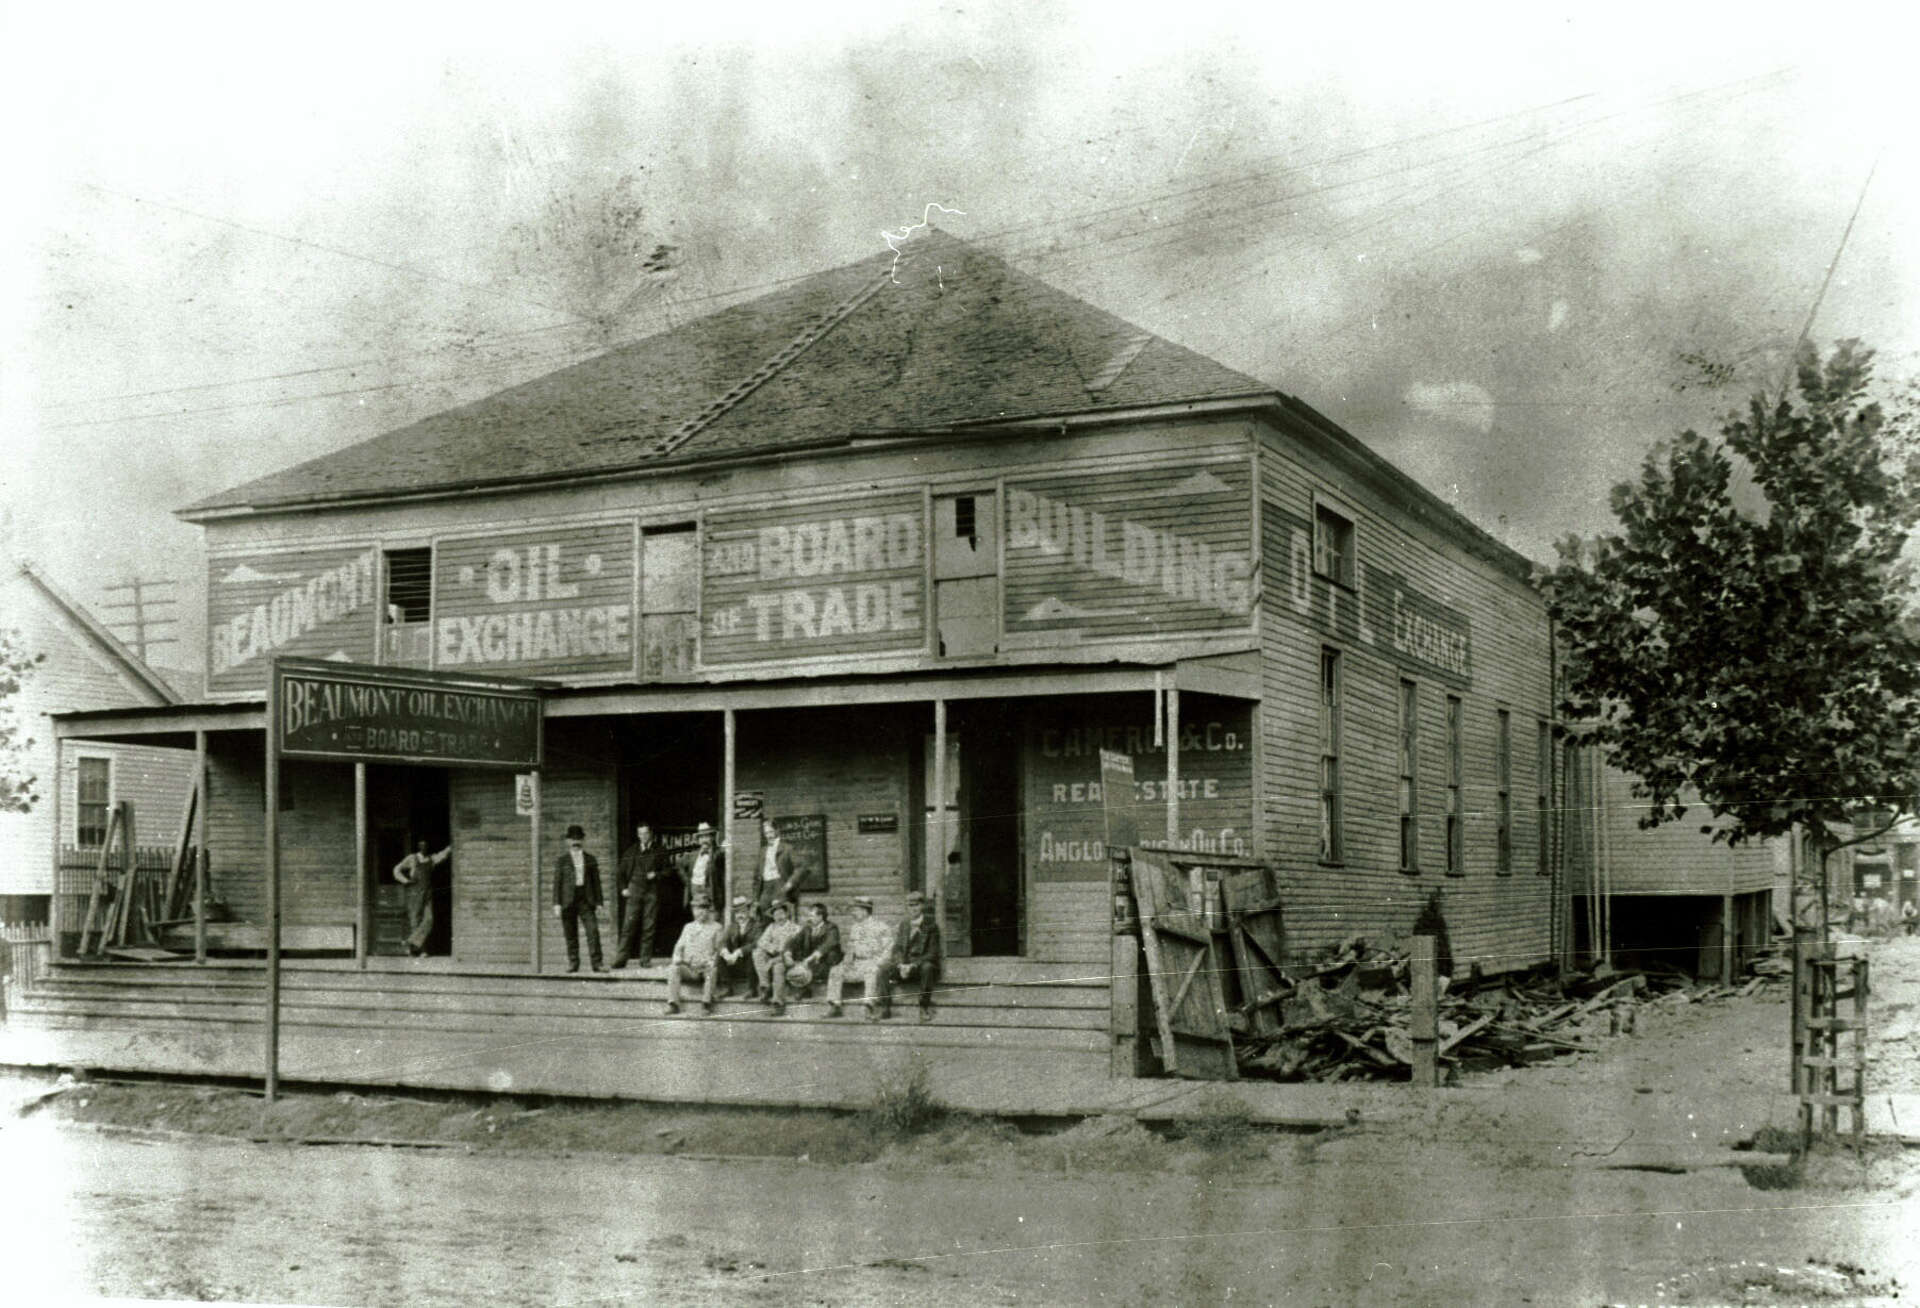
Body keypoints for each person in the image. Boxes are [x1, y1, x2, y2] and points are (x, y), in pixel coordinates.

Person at [875, 890, 944, 1022]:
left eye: (916, 905)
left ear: (922, 906)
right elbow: (897, 948)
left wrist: (913, 965)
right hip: (904, 966)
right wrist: (900, 964)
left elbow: (932, 952)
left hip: (919, 966)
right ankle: (885, 1007)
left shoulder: (931, 926)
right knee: (883, 969)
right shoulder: (904, 925)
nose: (913, 909)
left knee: (928, 967)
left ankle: (924, 1007)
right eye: (910, 906)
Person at [611, 821, 669, 968]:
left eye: (646, 833)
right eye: (641, 833)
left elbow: (668, 871)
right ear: (638, 835)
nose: (643, 836)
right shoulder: (631, 851)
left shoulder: (660, 850)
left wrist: (656, 874)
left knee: (649, 926)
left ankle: (645, 959)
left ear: (651, 834)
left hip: (651, 891)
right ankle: (621, 958)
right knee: (628, 925)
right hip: (634, 890)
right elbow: (620, 873)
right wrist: (623, 888)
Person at [551, 823, 606, 973]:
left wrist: (599, 902)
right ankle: (573, 963)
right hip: (567, 900)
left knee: (593, 931)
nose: (576, 842)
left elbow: (596, 882)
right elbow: (557, 883)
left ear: (583, 841)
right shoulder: (562, 861)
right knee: (570, 934)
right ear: (567, 841)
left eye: (578, 839)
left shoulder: (590, 859)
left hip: (585, 899)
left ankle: (597, 963)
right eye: (572, 839)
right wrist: (556, 903)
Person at [827, 895, 893, 1020]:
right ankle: (835, 1006)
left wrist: (879, 963)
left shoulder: (881, 927)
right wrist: (847, 960)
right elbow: (851, 947)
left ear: (865, 911)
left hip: (873, 962)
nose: (853, 913)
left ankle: (869, 1006)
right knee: (836, 970)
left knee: (872, 971)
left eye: (855, 910)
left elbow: (888, 949)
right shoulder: (855, 928)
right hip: (857, 964)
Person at [773, 902, 841, 1017]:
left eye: (812, 915)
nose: (809, 918)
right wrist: (787, 954)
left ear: (821, 916)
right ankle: (778, 1003)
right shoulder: (807, 928)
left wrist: (811, 958)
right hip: (806, 964)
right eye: (809, 915)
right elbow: (793, 941)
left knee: (803, 969)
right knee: (778, 967)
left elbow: (828, 944)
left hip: (824, 963)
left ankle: (804, 988)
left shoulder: (831, 928)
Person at [666, 896, 724, 1015]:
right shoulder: (688, 927)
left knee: (712, 970)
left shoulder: (716, 927)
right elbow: (679, 946)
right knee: (673, 968)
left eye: (703, 909)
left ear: (709, 911)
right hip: (689, 967)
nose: (700, 912)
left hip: (705, 968)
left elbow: (720, 949)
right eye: (696, 909)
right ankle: (673, 1004)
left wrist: (712, 961)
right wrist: (676, 958)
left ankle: (706, 1003)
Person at [391, 839, 450, 956]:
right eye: (421, 845)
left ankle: (410, 942)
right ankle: (420, 950)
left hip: (427, 892)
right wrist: (405, 881)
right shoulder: (412, 858)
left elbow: (443, 855)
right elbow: (396, 869)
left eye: (426, 845)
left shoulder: (431, 859)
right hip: (414, 892)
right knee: (415, 920)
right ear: (418, 846)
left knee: (429, 919)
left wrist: (451, 846)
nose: (424, 848)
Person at [752, 901, 803, 1013]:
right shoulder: (772, 927)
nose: (778, 917)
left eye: (781, 914)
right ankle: (765, 986)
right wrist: (772, 948)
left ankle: (778, 1003)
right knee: (757, 953)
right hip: (774, 955)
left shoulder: (795, 928)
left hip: (789, 959)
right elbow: (761, 941)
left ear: (787, 914)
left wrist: (774, 960)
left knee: (778, 967)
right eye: (775, 915)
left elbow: (794, 950)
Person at [713, 896, 760, 1000]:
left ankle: (752, 989)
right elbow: (722, 942)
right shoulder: (732, 926)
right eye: (737, 912)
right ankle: (727, 987)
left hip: (751, 965)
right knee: (719, 955)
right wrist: (726, 953)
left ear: (748, 911)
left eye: (743, 912)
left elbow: (757, 943)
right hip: (734, 964)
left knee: (753, 953)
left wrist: (738, 952)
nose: (740, 915)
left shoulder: (756, 925)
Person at [754, 818, 800, 921]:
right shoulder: (762, 851)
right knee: (764, 916)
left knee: (781, 917)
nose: (768, 835)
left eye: (770, 832)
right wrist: (755, 898)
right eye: (766, 833)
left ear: (777, 831)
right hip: (765, 888)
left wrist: (790, 883)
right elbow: (756, 876)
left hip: (780, 885)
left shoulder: (787, 848)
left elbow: (801, 867)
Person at [682, 822, 726, 912]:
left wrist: (724, 845)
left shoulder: (716, 853)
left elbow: (722, 855)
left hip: (709, 889)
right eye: (701, 837)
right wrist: (687, 880)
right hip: (695, 889)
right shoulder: (693, 855)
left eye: (706, 837)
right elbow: (679, 865)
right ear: (698, 840)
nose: (704, 840)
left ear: (712, 838)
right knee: (698, 913)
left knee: (711, 913)